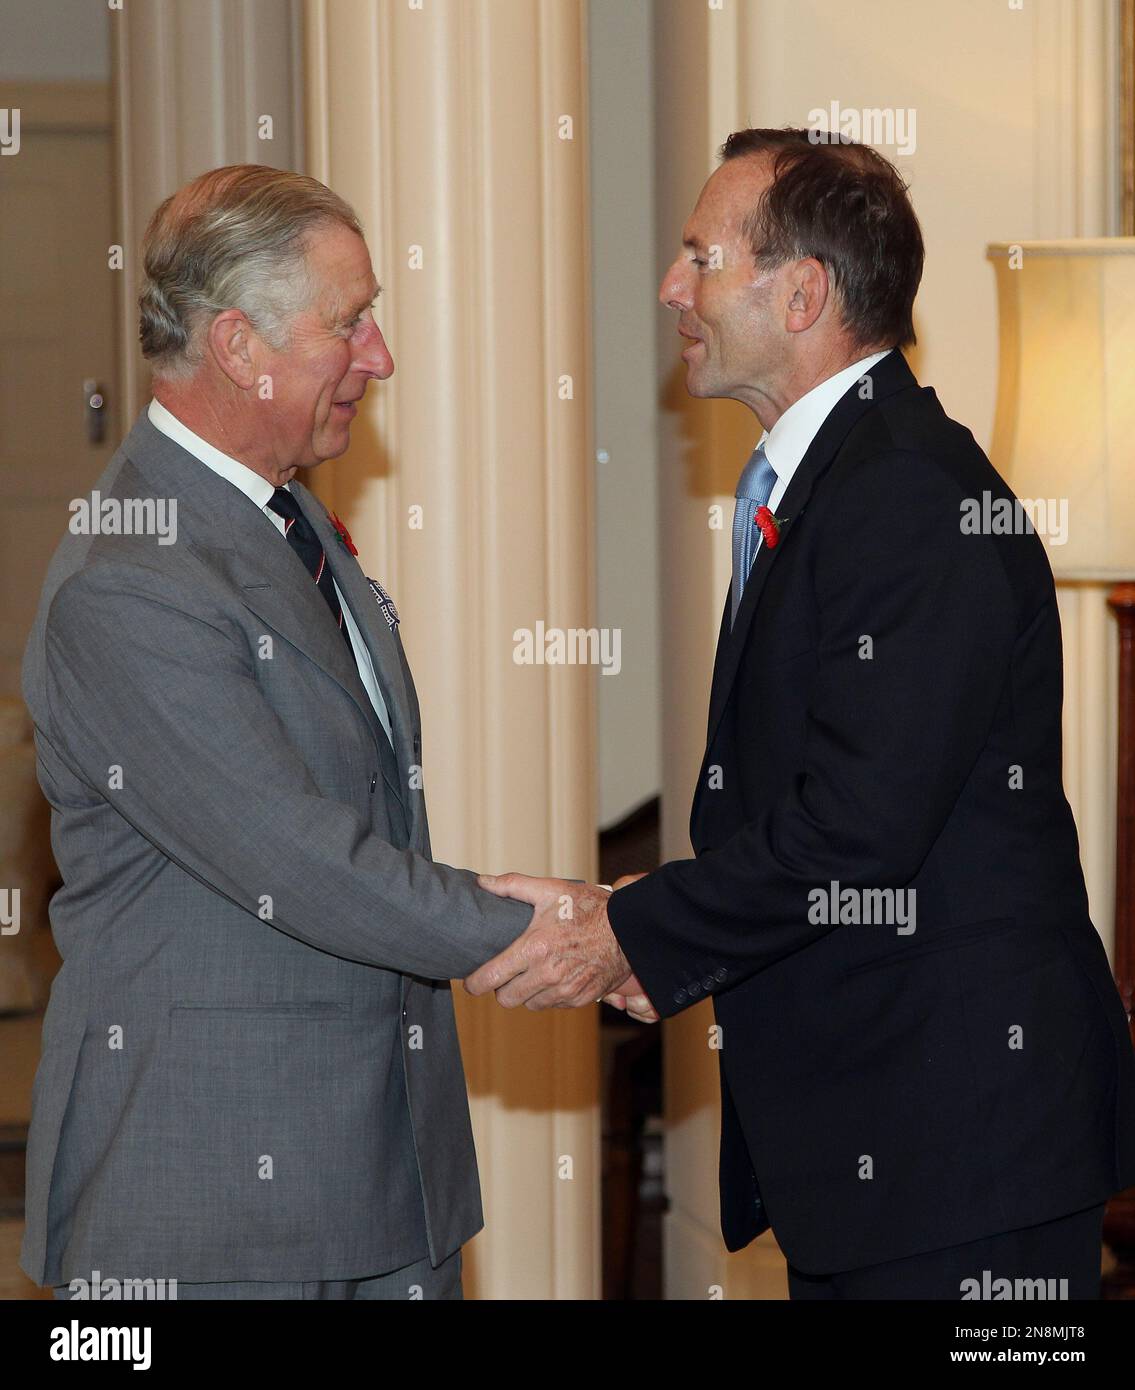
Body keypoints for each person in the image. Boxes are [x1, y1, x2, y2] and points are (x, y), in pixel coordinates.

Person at [468, 128, 1135, 1300]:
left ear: (803, 292)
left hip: (959, 1152)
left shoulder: (911, 496)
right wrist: (634, 912)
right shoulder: (830, 479)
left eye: (700, 258)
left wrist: (629, 930)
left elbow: (857, 827)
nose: (673, 289)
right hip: (894, 1142)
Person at [21, 164, 532, 1301]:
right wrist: (535, 926)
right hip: (214, 1201)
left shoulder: (287, 512)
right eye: (347, 324)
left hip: (382, 1175)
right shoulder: (130, 581)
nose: (380, 355)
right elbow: (298, 856)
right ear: (240, 346)